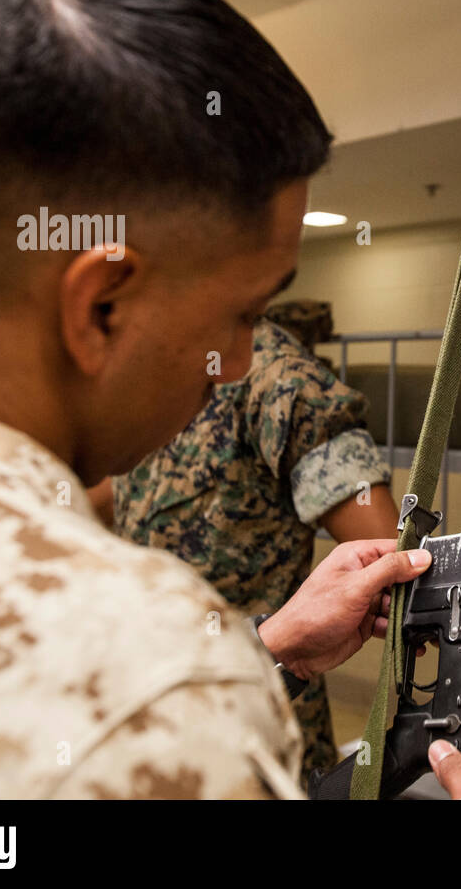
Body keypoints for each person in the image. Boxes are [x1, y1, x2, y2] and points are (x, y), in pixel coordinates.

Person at [0, 0, 461, 799]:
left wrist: (262, 647)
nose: (232, 364)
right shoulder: (163, 691)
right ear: (100, 308)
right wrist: (198, 679)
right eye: (238, 314)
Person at [94, 302, 400, 783]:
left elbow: (389, 555)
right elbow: (116, 493)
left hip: (259, 723)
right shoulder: (149, 375)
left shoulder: (280, 382)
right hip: (155, 707)